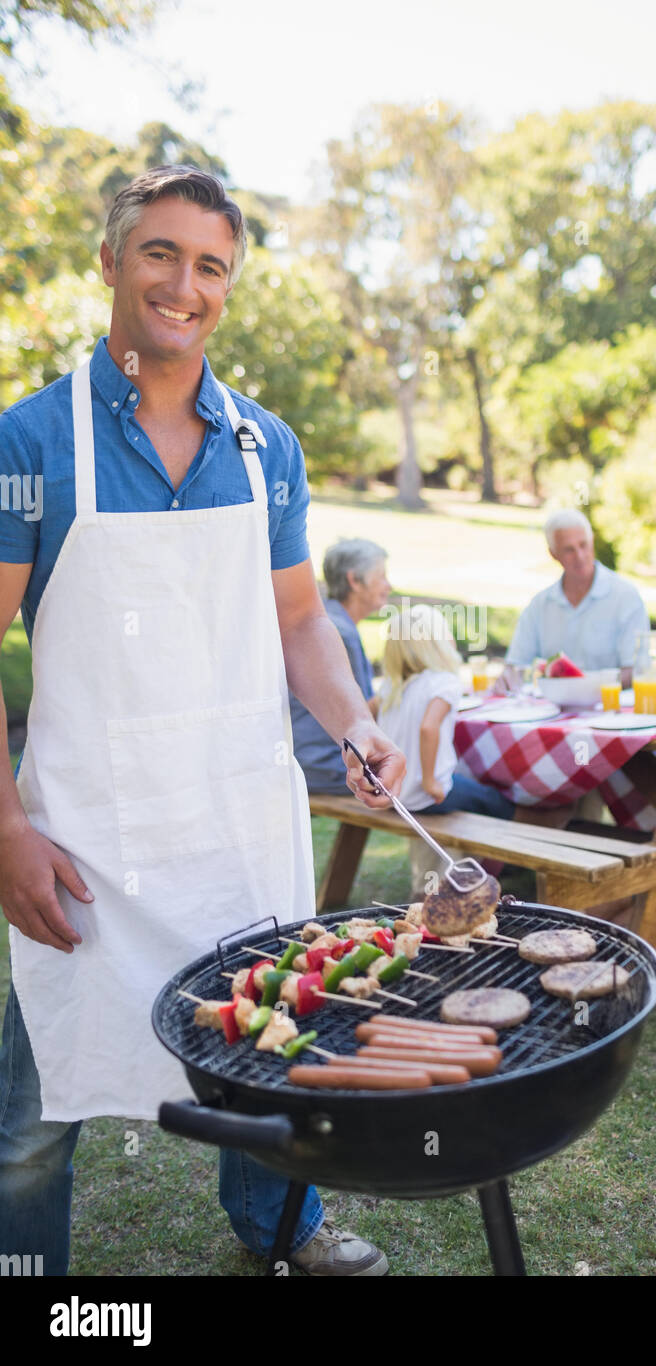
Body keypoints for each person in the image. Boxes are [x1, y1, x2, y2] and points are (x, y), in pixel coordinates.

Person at [0, 165, 405, 1277]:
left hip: (234, 816)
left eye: (211, 265)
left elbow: (296, 620)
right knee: (36, 1112)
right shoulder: (30, 443)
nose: (185, 285)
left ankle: (283, 1227)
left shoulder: (261, 445)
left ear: (229, 284)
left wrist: (355, 720)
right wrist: (6, 830)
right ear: (112, 263)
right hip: (88, 836)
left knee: (276, 1050)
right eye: (160, 254)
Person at [378, 604, 517, 818]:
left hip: (393, 793)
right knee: (496, 801)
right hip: (425, 797)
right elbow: (428, 727)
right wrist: (429, 782)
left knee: (471, 786)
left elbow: (367, 710)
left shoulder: (391, 686)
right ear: (438, 644)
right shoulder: (445, 682)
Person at [501, 510, 649, 685]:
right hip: (555, 708)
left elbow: (636, 671)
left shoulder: (626, 597)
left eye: (583, 545)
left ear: (592, 541)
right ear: (553, 554)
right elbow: (515, 665)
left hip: (610, 707)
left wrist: (586, 686)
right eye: (569, 550)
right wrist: (506, 680)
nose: (579, 556)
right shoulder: (540, 605)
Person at [290, 539, 390, 793]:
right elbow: (365, 712)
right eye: (381, 576)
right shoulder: (339, 633)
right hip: (323, 763)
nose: (389, 585)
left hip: (306, 757)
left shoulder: (332, 621)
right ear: (355, 581)